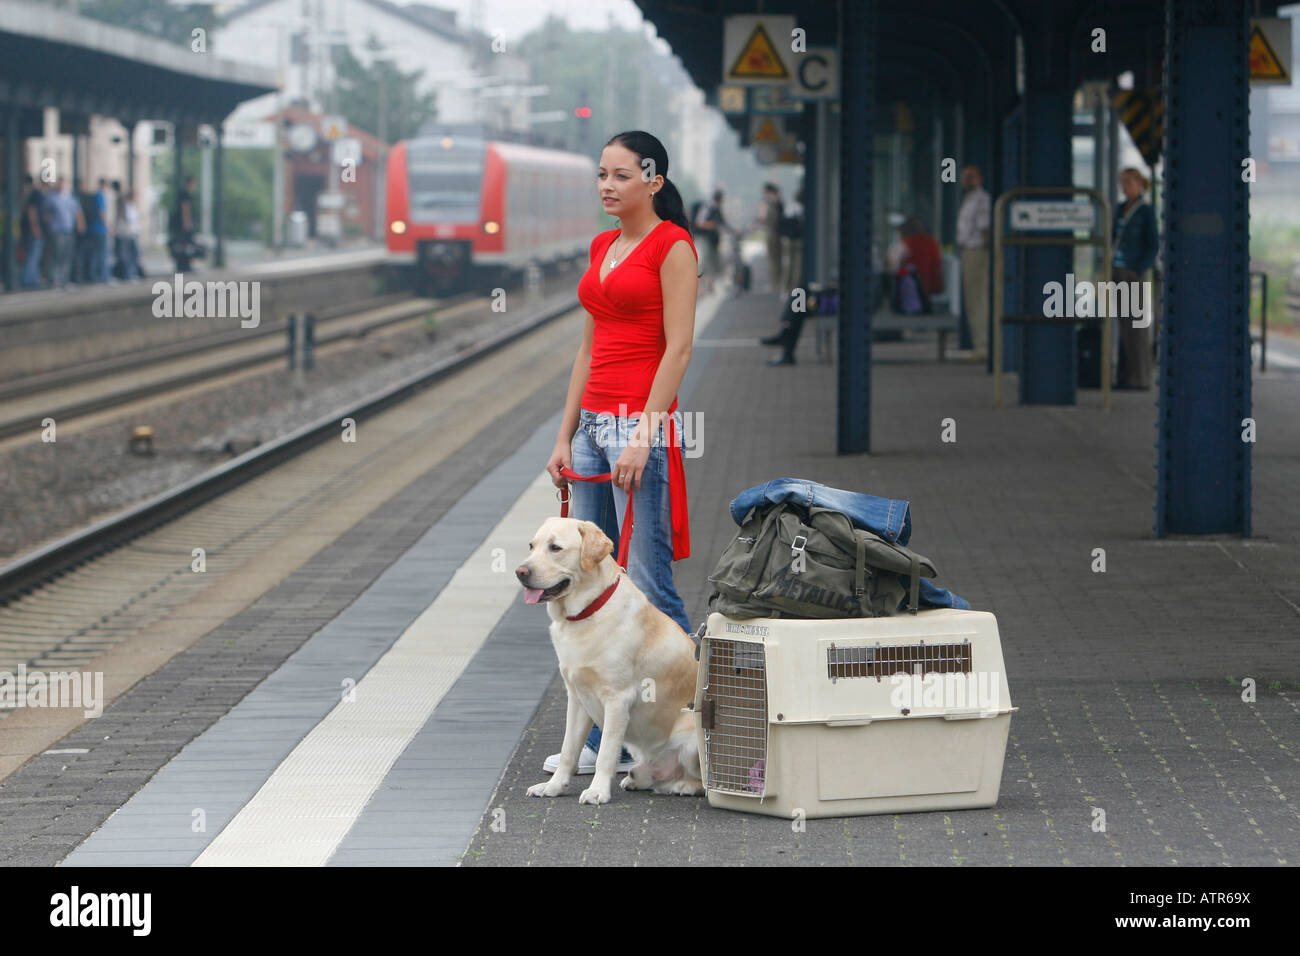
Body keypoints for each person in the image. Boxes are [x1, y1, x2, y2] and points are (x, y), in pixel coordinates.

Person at [542, 129, 699, 777]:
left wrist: (643, 433)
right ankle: (592, 743)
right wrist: (563, 435)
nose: (608, 185)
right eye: (602, 175)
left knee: (647, 578)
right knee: (582, 581)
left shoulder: (674, 248)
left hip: (638, 427)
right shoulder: (602, 245)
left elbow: (679, 348)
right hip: (591, 429)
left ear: (653, 181)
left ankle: (696, 724)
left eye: (621, 175)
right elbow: (588, 347)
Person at [1112, 166, 1158, 389]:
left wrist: (1138, 270)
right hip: (1116, 271)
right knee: (1123, 326)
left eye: (1129, 182)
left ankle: (1140, 378)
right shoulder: (1119, 209)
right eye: (1122, 182)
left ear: (1140, 184)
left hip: (1133, 272)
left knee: (1137, 327)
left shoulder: (1145, 211)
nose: (1125, 186)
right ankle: (1124, 376)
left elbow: (1152, 245)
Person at [956, 165, 992, 359]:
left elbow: (985, 227)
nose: (967, 180)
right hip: (969, 250)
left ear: (980, 178)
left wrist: (986, 249)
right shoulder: (969, 199)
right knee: (972, 299)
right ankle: (979, 343)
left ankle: (983, 345)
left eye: (971, 176)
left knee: (978, 298)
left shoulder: (981, 199)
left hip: (977, 250)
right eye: (965, 177)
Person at [43, 179, 84, 289]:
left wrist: (80, 224)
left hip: (68, 230)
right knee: (56, 255)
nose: (61, 185)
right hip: (56, 230)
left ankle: (64, 280)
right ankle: (54, 280)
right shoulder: (52, 197)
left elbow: (77, 212)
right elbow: (46, 212)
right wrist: (49, 223)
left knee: (67, 255)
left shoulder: (71, 198)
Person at [693, 188, 730, 296]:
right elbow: (699, 223)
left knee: (713, 263)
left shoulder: (717, 209)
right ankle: (700, 288)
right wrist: (712, 225)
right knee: (704, 263)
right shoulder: (708, 208)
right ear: (720, 199)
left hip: (713, 240)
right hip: (704, 239)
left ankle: (709, 286)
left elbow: (724, 224)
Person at [19, 176, 45, 289]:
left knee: (32, 254)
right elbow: (32, 211)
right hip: (33, 230)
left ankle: (30, 279)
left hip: (27, 229)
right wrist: (35, 226)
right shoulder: (36, 194)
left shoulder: (27, 194)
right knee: (33, 255)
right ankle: (29, 280)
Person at [779, 185, 805, 298]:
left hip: (788, 241)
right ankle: (796, 291)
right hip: (799, 240)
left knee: (788, 265)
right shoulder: (802, 209)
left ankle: (785, 289)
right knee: (797, 267)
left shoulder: (789, 207)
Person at [760, 182, 784, 293]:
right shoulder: (779, 202)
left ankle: (774, 283)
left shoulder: (771, 203)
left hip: (772, 233)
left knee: (773, 259)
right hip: (778, 233)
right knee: (777, 259)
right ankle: (778, 282)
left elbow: (764, 218)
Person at [171, 174, 197, 272]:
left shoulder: (183, 193)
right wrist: (187, 222)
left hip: (180, 224)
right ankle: (184, 265)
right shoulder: (186, 194)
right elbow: (185, 208)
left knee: (183, 244)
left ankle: (183, 264)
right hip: (183, 224)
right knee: (185, 244)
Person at [88, 178, 112, 283]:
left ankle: (95, 276)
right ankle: (102, 276)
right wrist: (108, 226)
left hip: (95, 228)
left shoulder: (96, 196)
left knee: (96, 253)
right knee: (101, 254)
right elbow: (101, 212)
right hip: (100, 229)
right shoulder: (100, 196)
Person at [115, 186, 142, 280]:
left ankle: (132, 273)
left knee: (134, 254)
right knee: (128, 254)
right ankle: (128, 274)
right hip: (127, 233)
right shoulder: (127, 206)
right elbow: (126, 219)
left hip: (133, 232)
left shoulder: (132, 206)